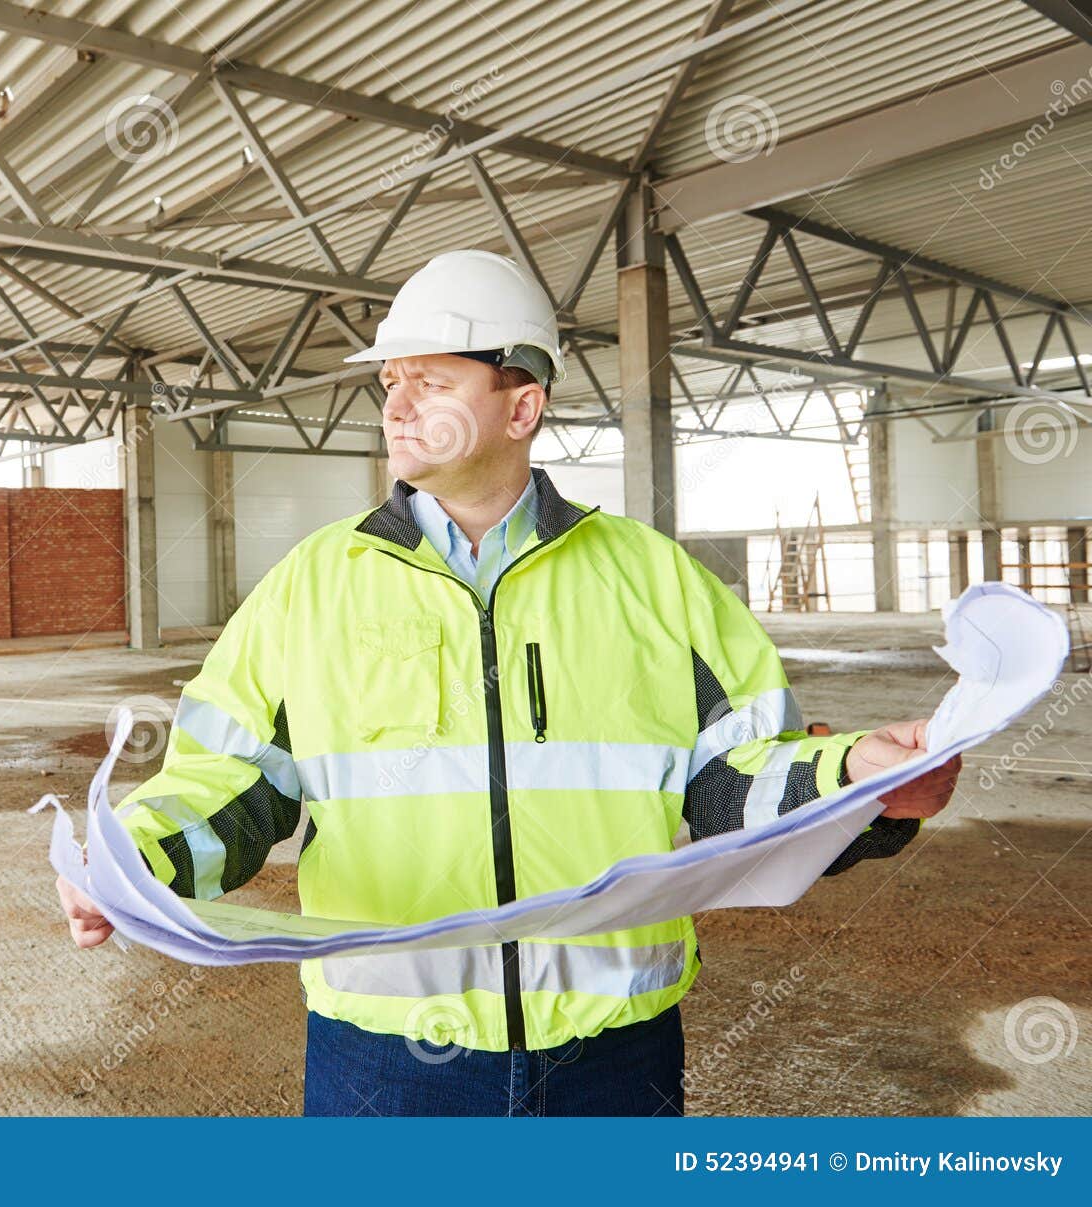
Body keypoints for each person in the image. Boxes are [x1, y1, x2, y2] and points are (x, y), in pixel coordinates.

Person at [57, 249, 960, 1117]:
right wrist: (128, 855)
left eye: (432, 381)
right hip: (386, 1061)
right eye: (389, 382)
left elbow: (737, 781)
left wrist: (859, 785)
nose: (397, 405)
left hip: (612, 1056)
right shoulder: (311, 585)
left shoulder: (655, 580)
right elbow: (231, 786)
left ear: (521, 405)